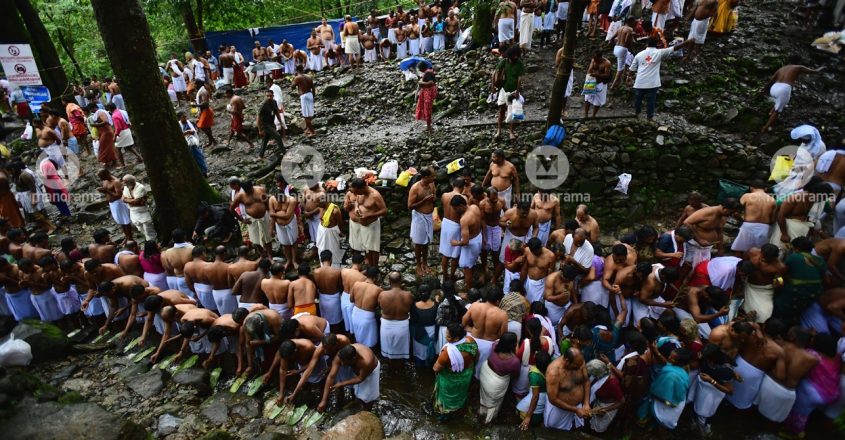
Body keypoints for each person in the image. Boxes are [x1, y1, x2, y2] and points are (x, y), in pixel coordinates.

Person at [783, 333, 841, 437]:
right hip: (832, 394)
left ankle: (797, 433)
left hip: (814, 394)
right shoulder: (837, 356)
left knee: (799, 414)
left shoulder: (813, 355)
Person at [629, 37, 692, 120]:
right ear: (657, 45)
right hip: (653, 83)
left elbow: (632, 70)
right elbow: (674, 48)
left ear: (646, 44)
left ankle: (637, 114)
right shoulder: (659, 52)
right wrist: (688, 42)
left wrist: (629, 77)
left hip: (640, 82)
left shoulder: (639, 54)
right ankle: (649, 118)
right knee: (651, 101)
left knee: (638, 99)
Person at [774, 237, 828, 327]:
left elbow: (782, 274)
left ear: (797, 249)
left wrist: (777, 283)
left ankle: (778, 325)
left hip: (796, 291)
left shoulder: (794, 257)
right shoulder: (820, 260)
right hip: (814, 293)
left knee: (780, 304)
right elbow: (826, 280)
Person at [760, 60, 826, 132]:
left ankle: (770, 112)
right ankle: (766, 127)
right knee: (778, 111)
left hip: (774, 88)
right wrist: (822, 68)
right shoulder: (798, 67)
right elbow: (814, 71)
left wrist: (764, 90)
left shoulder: (782, 69)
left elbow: (771, 80)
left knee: (778, 101)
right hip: (784, 89)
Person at [637, 345, 691, 431]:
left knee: (657, 416)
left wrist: (652, 391)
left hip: (668, 403)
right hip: (676, 397)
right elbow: (667, 364)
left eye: (672, 358)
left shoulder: (670, 376)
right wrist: (656, 351)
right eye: (670, 355)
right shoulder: (682, 368)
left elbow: (660, 394)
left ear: (678, 362)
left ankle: (654, 426)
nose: (669, 358)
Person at [433, 323, 478, 418]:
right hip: (466, 377)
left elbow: (436, 368)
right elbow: (476, 355)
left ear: (456, 338)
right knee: (460, 395)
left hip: (449, 382)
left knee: (447, 400)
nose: (445, 337)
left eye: (448, 336)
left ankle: (444, 415)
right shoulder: (471, 341)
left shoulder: (446, 353)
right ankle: (459, 410)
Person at [318, 343, 380, 411]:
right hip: (357, 370)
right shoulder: (341, 356)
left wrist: (342, 383)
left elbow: (360, 378)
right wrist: (323, 400)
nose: (342, 364)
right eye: (341, 362)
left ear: (353, 359)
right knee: (357, 390)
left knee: (369, 396)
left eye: (345, 363)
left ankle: (367, 411)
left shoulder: (366, 361)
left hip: (371, 371)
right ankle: (357, 401)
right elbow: (331, 376)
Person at [462, 288, 508, 379]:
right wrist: (494, 335)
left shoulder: (475, 306)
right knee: (480, 371)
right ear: (498, 301)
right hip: (488, 345)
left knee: (467, 365)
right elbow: (503, 335)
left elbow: (464, 322)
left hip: (472, 339)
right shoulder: (502, 315)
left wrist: (471, 329)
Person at [343, 178, 387, 267]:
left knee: (373, 249)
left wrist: (369, 216)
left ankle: (374, 268)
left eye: (357, 192)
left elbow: (384, 211)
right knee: (363, 247)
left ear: (362, 188)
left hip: (371, 224)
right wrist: (356, 208)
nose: (356, 194)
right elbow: (357, 203)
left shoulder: (375, 195)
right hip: (361, 224)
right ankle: (367, 265)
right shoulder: (360, 193)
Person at [544, 347, 590, 430]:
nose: (579, 368)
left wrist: (586, 403)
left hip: (579, 407)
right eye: (576, 366)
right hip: (560, 410)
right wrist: (575, 410)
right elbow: (553, 399)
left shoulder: (579, 363)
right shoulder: (554, 372)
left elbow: (586, 381)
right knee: (556, 431)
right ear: (567, 360)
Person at [683, 199, 739, 265]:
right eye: (730, 212)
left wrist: (720, 249)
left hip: (707, 248)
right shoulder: (707, 212)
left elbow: (720, 232)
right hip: (694, 245)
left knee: (702, 266)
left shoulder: (723, 217)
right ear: (724, 208)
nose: (731, 215)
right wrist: (699, 239)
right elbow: (687, 222)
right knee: (689, 265)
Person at [731, 180, 775, 255]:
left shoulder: (747, 196)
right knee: (760, 251)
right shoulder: (772, 200)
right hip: (765, 228)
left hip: (748, 226)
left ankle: (739, 264)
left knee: (739, 249)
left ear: (751, 188)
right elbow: (773, 219)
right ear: (765, 189)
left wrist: (741, 220)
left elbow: (735, 212)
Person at [231, 180, 272, 258]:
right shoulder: (240, 195)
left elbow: (266, 201)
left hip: (264, 216)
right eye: (247, 191)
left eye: (250, 190)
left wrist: (270, 213)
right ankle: (262, 254)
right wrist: (242, 219)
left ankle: (270, 256)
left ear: (252, 186)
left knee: (268, 238)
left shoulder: (260, 189)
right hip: (251, 220)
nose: (249, 192)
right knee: (255, 239)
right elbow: (231, 208)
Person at [450, 196, 484, 288]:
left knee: (467, 268)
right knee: (472, 262)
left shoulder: (464, 220)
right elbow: (481, 222)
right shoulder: (474, 207)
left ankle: (469, 290)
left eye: (455, 208)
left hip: (471, 243)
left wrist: (456, 243)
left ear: (461, 205)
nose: (455, 210)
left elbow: (465, 242)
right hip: (478, 237)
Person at [408, 167, 436, 276]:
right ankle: (418, 265)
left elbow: (434, 198)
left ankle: (425, 263)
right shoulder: (415, 188)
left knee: (427, 241)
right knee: (419, 242)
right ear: (425, 177)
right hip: (419, 217)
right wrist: (424, 201)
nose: (434, 177)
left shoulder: (432, 184)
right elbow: (410, 206)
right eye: (432, 176)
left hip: (429, 216)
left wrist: (433, 200)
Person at [378, 271, 413, 359]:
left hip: (386, 325)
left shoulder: (383, 295)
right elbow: (410, 308)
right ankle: (400, 368)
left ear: (389, 282)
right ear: (401, 281)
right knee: (401, 352)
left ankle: (390, 367)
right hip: (402, 325)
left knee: (388, 350)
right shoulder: (408, 295)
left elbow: (380, 306)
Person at [493, 46, 525, 141]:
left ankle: (511, 132)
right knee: (502, 111)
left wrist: (518, 91)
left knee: (512, 111)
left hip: (513, 90)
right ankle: (499, 131)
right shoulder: (504, 61)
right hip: (504, 88)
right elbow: (496, 71)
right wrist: (495, 84)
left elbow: (519, 78)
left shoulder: (519, 64)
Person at [314, 250, 343, 330]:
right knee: (336, 323)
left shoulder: (316, 272)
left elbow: (316, 287)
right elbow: (340, 287)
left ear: (321, 260)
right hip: (334, 299)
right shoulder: (337, 272)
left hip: (322, 298)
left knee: (325, 322)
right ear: (331, 259)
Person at [121, 175, 156, 241]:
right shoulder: (126, 187)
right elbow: (123, 198)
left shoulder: (140, 187)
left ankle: (153, 242)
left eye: (124, 182)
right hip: (133, 211)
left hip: (142, 211)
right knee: (139, 228)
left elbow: (136, 202)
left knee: (148, 228)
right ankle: (148, 241)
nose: (123, 183)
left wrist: (127, 200)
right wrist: (131, 200)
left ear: (130, 182)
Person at [177, 110, 208, 176]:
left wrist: (191, 132)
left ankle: (204, 172)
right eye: (183, 117)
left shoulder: (190, 123)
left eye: (185, 116)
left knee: (199, 157)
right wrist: (187, 132)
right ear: (179, 118)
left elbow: (196, 130)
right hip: (186, 144)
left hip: (193, 143)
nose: (185, 118)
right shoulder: (178, 125)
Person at [583, 50, 612, 119]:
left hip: (601, 83)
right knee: (587, 98)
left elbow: (607, 75)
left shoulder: (607, 63)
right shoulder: (593, 60)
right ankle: (586, 114)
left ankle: (593, 115)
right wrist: (589, 76)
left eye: (596, 59)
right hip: (591, 80)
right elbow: (589, 70)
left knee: (598, 100)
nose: (594, 59)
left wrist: (597, 75)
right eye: (594, 58)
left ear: (600, 57)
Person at [256, 90, 284, 159]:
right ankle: (284, 153)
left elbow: (276, 112)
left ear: (273, 96)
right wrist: (259, 129)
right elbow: (258, 117)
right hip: (265, 124)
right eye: (267, 96)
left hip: (271, 123)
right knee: (278, 136)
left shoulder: (274, 102)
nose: (269, 97)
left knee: (266, 139)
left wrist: (281, 122)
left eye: (270, 96)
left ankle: (260, 155)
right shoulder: (264, 105)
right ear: (265, 96)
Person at [293, 66, 316, 137]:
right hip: (310, 94)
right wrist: (313, 96)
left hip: (304, 96)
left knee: (306, 116)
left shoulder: (297, 78)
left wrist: (293, 78)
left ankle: (313, 132)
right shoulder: (308, 77)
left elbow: (292, 86)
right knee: (310, 114)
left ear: (296, 70)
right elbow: (313, 88)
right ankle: (308, 129)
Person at [415, 63, 437, 131]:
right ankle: (428, 125)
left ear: (421, 68)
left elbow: (431, 82)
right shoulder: (427, 72)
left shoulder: (428, 73)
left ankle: (429, 126)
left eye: (419, 69)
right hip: (427, 92)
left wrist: (421, 83)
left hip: (428, 93)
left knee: (427, 109)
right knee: (426, 108)